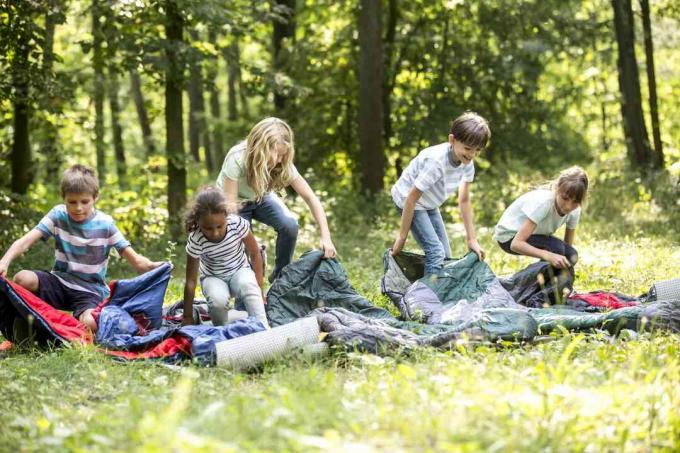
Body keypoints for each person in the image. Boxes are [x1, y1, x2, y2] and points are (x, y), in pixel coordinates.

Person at [0, 165, 162, 332]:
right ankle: (28, 325)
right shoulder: (58, 215)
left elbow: (136, 261)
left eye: (85, 202)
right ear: (63, 197)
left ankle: (65, 327)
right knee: (22, 279)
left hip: (90, 290)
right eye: (72, 202)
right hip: (60, 281)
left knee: (90, 324)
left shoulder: (105, 224)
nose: (78, 208)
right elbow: (26, 241)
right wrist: (4, 261)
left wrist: (155, 266)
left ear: (95, 197)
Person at [216, 117, 336, 282]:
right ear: (261, 149)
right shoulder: (237, 158)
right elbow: (230, 208)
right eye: (277, 155)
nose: (280, 160)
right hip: (234, 203)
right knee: (244, 247)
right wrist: (250, 244)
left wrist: (326, 237)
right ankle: (246, 295)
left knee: (289, 225)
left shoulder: (282, 163)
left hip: (259, 195)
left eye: (283, 155)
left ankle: (280, 278)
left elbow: (310, 197)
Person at [390, 111, 490, 276]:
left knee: (445, 255)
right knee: (436, 252)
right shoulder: (436, 162)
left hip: (428, 202)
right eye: (467, 148)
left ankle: (436, 290)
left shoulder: (467, 163)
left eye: (477, 151)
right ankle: (427, 299)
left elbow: (464, 201)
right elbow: (411, 199)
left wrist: (471, 239)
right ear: (452, 140)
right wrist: (402, 237)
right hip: (407, 198)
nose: (472, 155)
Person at [182, 187, 269, 329]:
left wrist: (259, 288)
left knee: (249, 286)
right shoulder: (196, 238)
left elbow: (255, 253)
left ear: (225, 214)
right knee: (217, 302)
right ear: (198, 221)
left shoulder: (237, 224)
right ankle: (223, 330)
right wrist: (187, 316)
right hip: (213, 277)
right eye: (208, 228)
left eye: (220, 226)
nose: (215, 233)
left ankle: (262, 328)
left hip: (239, 271)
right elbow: (191, 281)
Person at [493, 166, 589, 268]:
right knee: (556, 249)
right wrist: (549, 256)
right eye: (565, 198)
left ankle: (552, 283)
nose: (568, 206)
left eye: (575, 202)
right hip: (509, 237)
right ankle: (528, 281)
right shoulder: (544, 203)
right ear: (557, 188)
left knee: (571, 255)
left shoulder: (575, 210)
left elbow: (567, 247)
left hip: (529, 237)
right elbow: (515, 244)